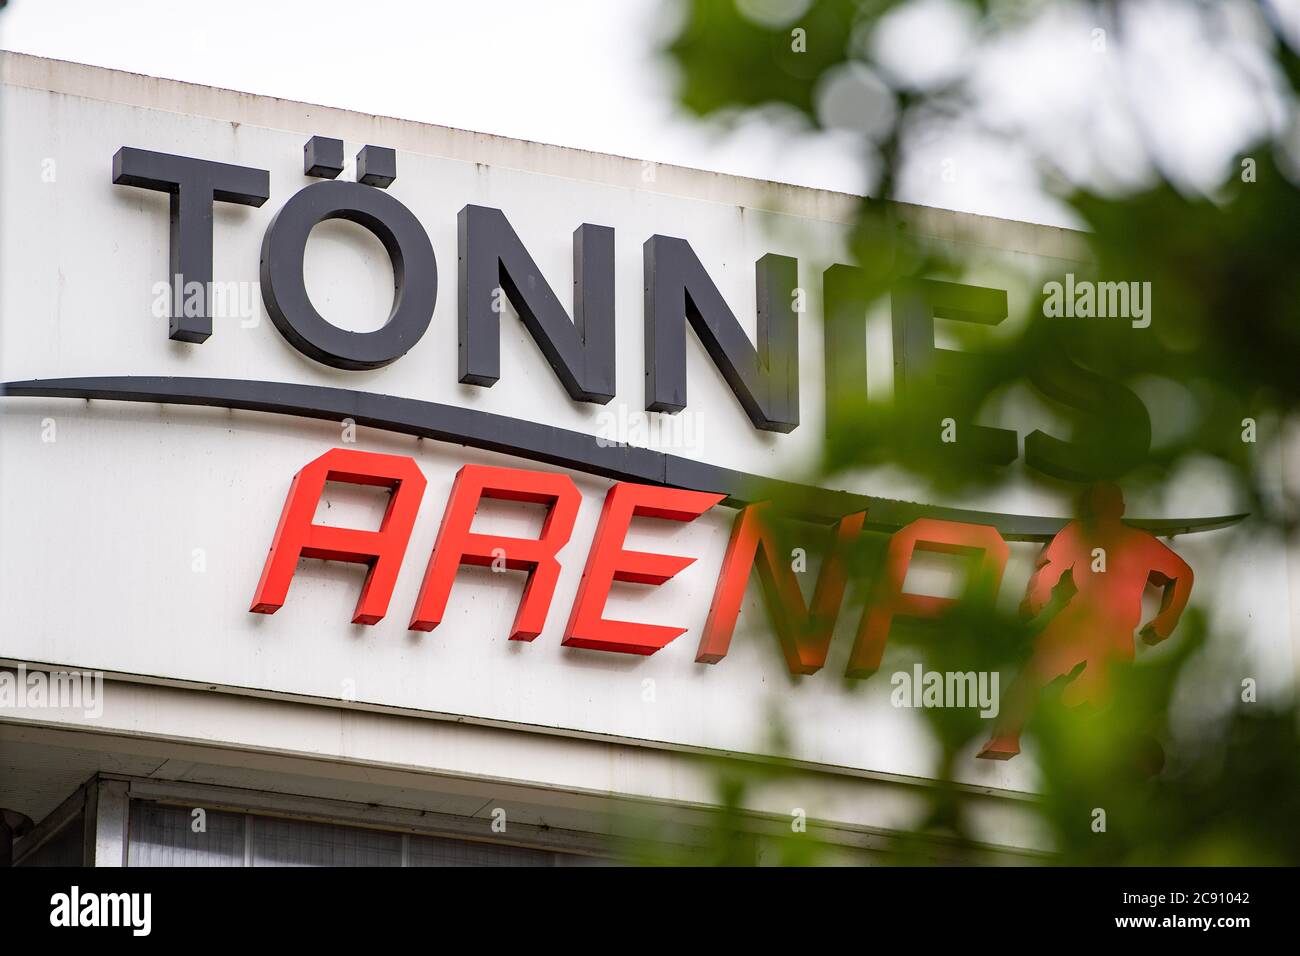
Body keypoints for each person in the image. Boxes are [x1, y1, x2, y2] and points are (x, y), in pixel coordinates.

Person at [978, 482, 1193, 759]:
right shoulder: (1078, 535)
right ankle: (1007, 739)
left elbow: (1182, 574)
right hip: (1072, 630)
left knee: (1105, 698)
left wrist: (1168, 619)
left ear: (1121, 509)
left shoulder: (1137, 542)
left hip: (1109, 636)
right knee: (1032, 681)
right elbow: (1049, 574)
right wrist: (1035, 602)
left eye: (1109, 504)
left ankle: (1116, 758)